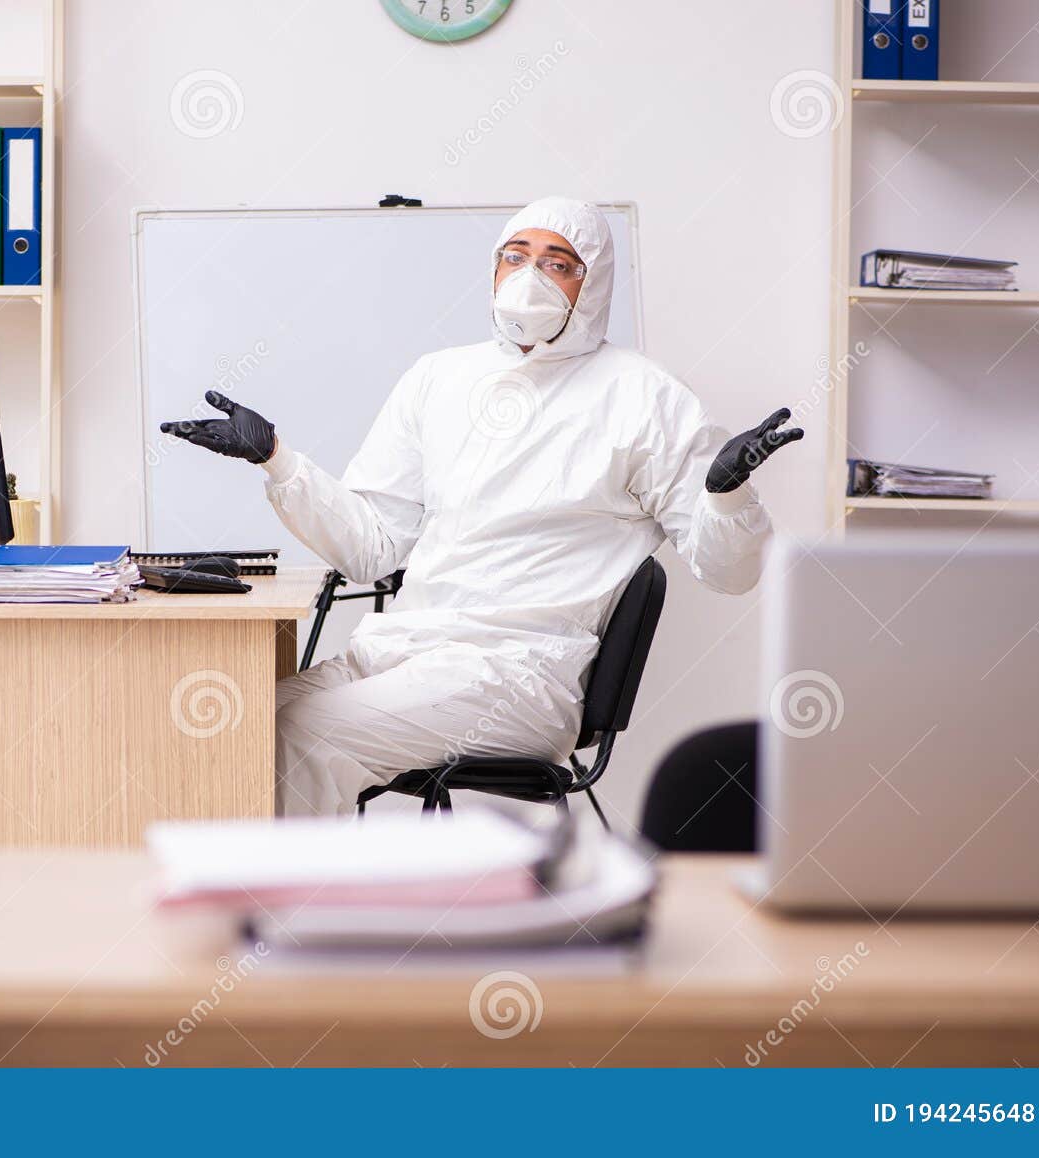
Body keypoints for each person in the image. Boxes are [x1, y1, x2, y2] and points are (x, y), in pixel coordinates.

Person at [161, 197, 801, 817]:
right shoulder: (438, 379)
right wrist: (276, 459)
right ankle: (232, 908)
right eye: (515, 256)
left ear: (594, 281)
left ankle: (290, 922)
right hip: (401, 653)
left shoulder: (646, 398)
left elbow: (730, 572)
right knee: (230, 729)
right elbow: (371, 548)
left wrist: (727, 496)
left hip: (518, 675)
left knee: (300, 736)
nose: (530, 276)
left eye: (557, 262)